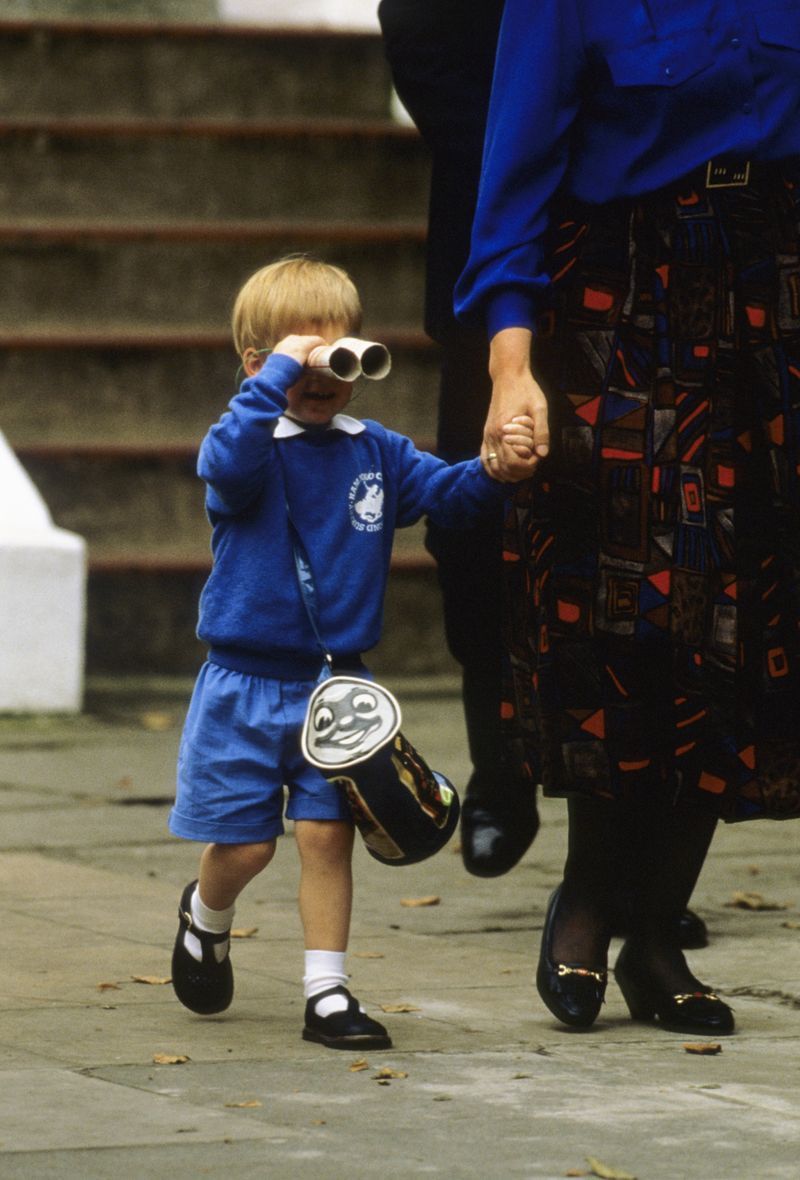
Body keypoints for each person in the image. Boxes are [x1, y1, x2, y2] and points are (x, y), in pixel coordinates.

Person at [456, 0, 800, 1035]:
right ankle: (588, 895)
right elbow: (514, 174)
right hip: (622, 303)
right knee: (624, 616)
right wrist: (509, 366)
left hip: (771, 299)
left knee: (744, 621)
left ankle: (655, 934)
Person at [168, 255, 533, 1049]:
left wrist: (496, 468)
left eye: (339, 355)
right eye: (303, 357)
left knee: (327, 836)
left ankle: (327, 992)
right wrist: (276, 377)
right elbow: (223, 463)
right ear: (257, 364)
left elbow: (445, 497)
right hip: (244, 683)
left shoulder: (376, 450)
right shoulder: (249, 448)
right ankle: (206, 915)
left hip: (335, 691)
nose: (323, 375)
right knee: (246, 845)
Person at [378, 0, 541, 877]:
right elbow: (415, 24)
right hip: (489, 248)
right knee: (474, 526)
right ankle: (501, 774)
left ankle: (638, 857)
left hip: (646, 250)